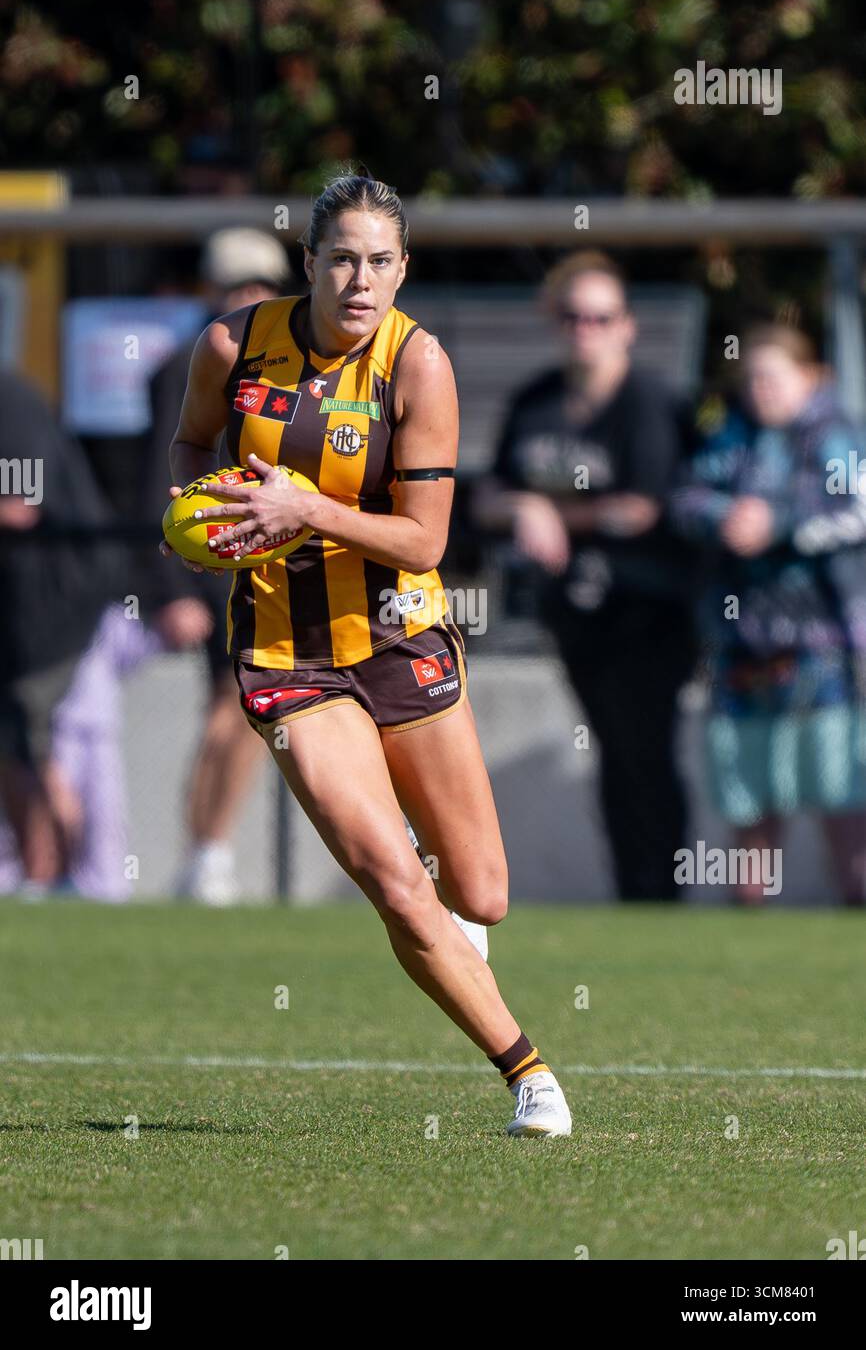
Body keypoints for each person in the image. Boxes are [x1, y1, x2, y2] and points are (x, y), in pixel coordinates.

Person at [161, 165, 572, 1137]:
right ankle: (528, 1074)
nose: (358, 281)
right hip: (284, 655)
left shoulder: (416, 363)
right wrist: (193, 520)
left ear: (401, 269)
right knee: (392, 876)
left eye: (379, 262)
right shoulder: (232, 344)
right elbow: (189, 448)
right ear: (306, 261)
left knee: (481, 891)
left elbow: (425, 541)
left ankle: (451, 933)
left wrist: (308, 508)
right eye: (340, 258)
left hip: (397, 633)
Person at [476, 251, 696, 902]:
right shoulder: (537, 400)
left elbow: (642, 508)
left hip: (649, 608)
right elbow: (490, 495)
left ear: (626, 325)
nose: (586, 330)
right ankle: (633, 890)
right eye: (573, 317)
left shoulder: (650, 401)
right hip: (572, 610)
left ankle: (660, 891)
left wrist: (555, 515)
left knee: (644, 749)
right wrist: (526, 505)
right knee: (611, 747)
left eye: (602, 318)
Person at [671, 324, 866, 905]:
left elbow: (853, 509)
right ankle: (747, 940)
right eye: (751, 377)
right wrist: (725, 516)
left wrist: (777, 522)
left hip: (826, 649)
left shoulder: (838, 438)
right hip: (743, 648)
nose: (761, 389)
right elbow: (683, 498)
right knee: (750, 795)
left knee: (843, 793)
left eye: (773, 376)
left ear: (810, 377)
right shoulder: (729, 435)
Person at [140, 227, 293, 903]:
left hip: (272, 563)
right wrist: (172, 584)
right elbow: (163, 479)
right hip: (214, 563)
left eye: (262, 283)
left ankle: (207, 851)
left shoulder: (291, 365)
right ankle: (207, 852)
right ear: (211, 290)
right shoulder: (192, 365)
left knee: (246, 711)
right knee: (234, 710)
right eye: (236, 286)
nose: (250, 296)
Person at [0, 369, 110, 895]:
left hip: (52, 605)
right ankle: (42, 876)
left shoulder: (11, 400)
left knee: (31, 742)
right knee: (20, 745)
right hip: (21, 609)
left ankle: (56, 877)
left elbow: (19, 506)